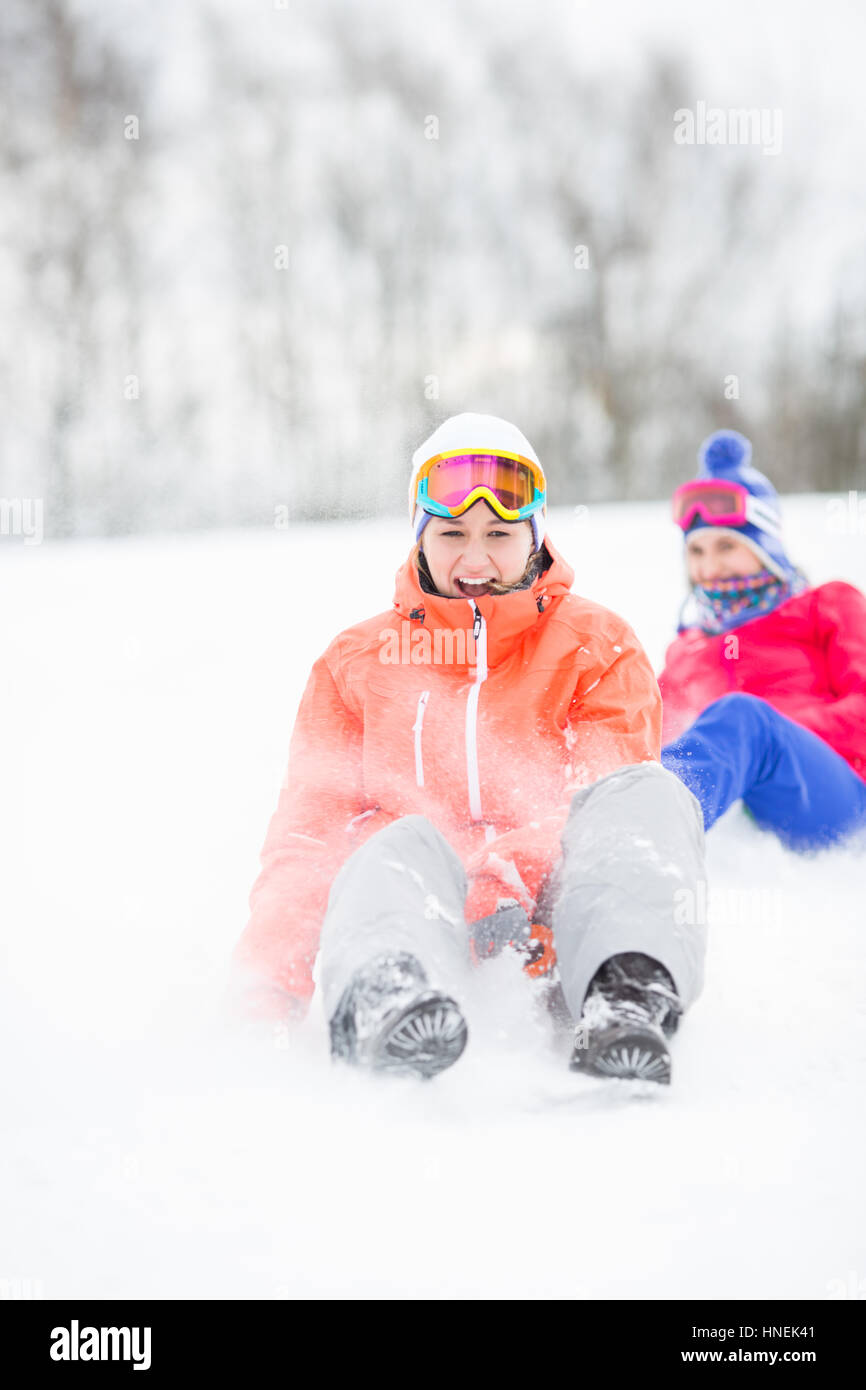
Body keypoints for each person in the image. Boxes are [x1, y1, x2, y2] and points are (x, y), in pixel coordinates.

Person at [229, 413, 707, 1084]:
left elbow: (600, 790)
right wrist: (266, 987)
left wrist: (508, 872)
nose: (475, 559)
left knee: (646, 796)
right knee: (385, 844)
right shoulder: (356, 663)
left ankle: (626, 993)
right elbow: (307, 835)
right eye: (451, 534)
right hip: (429, 922)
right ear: (418, 538)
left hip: (559, 916)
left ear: (535, 536)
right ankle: (386, 997)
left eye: (500, 535)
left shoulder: (597, 645)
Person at [659, 429, 866, 850]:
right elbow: (650, 731)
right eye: (696, 552)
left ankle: (650, 828)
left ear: (766, 547)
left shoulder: (826, 605)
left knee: (742, 718)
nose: (709, 567)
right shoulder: (690, 649)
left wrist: (767, 735)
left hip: (837, 789)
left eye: (726, 546)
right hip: (747, 800)